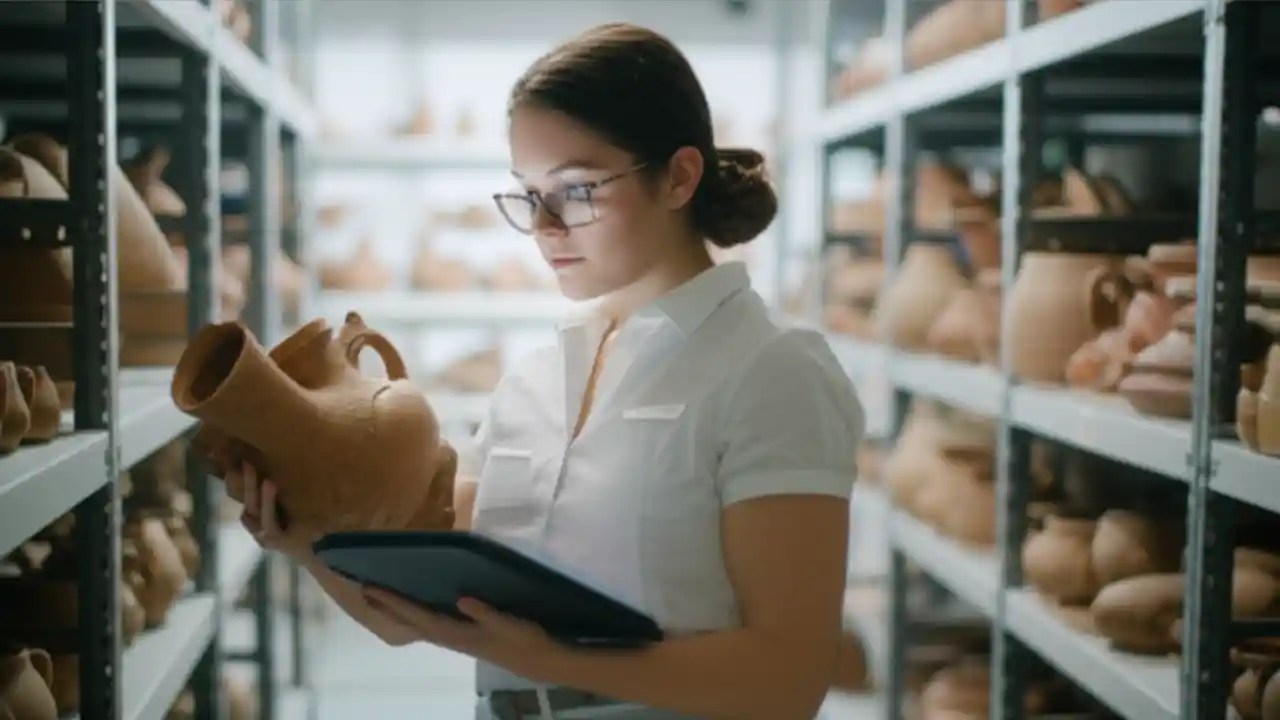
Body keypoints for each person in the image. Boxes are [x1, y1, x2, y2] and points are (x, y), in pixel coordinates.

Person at [234, 22, 865, 720]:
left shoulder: (772, 369)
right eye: (527, 195)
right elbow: (407, 619)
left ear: (679, 177)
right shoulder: (535, 379)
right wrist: (301, 541)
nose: (543, 225)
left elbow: (788, 680)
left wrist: (552, 660)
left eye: (577, 190)